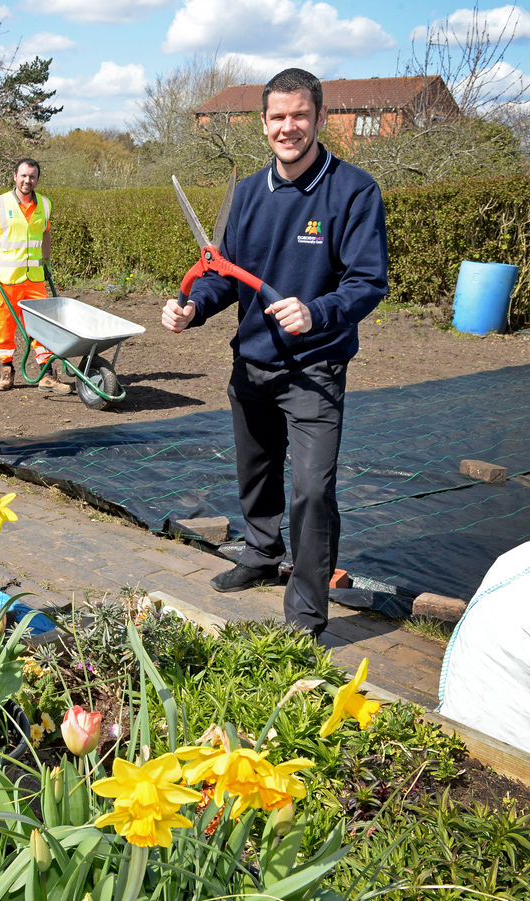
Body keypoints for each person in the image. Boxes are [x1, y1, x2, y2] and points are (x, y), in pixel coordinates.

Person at [161, 68, 388, 638]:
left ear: (319, 118)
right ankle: (262, 554)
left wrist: (317, 312)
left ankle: (306, 614)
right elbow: (225, 276)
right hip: (252, 361)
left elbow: (367, 282)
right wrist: (193, 307)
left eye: (299, 115)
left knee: (312, 489)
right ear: (263, 124)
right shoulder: (247, 195)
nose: (289, 127)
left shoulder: (354, 191)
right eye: (278, 117)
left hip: (315, 370)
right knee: (256, 472)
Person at [0, 158, 70, 393]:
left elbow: (46, 233)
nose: (28, 180)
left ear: (37, 179)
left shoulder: (45, 205)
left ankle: (47, 374)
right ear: (15, 177)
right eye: (24, 175)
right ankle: (7, 370)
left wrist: (46, 260)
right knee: (6, 326)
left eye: (32, 176)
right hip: (6, 279)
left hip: (35, 279)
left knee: (41, 325)